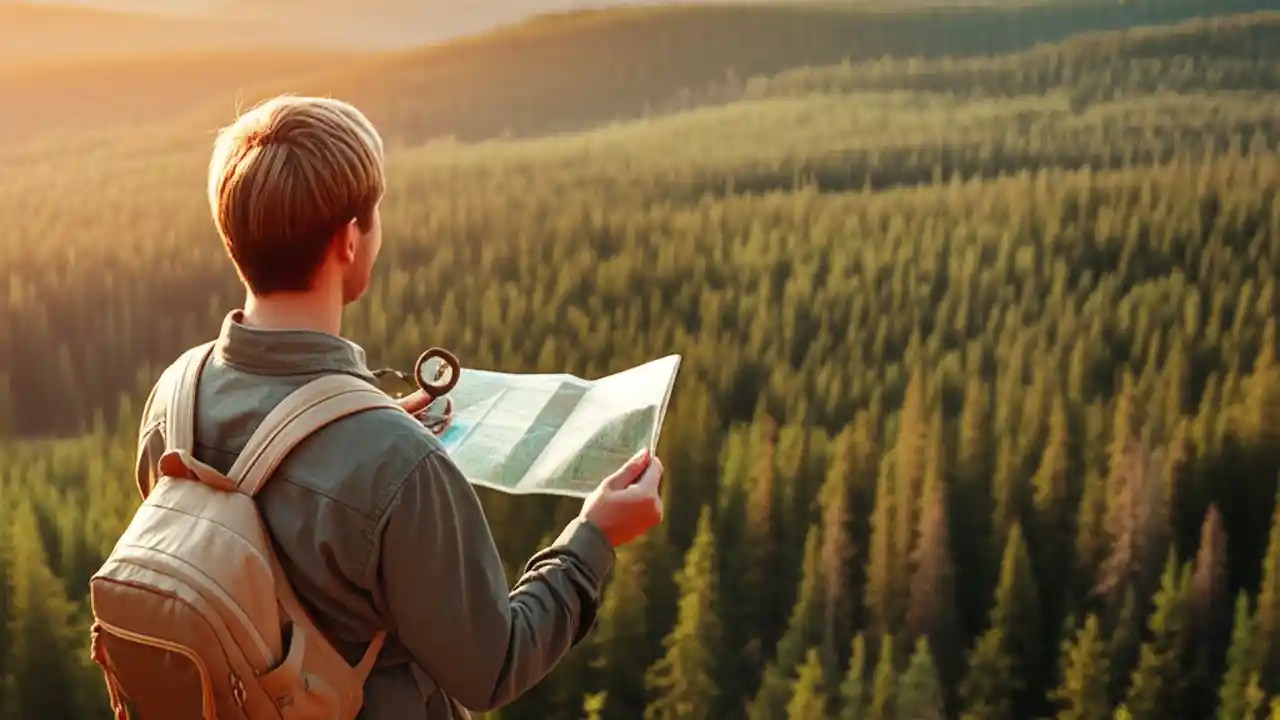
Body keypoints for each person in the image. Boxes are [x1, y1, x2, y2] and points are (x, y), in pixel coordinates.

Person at [133, 95, 666, 718]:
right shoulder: (400, 464)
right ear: (348, 241)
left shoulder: (175, 394)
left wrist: (366, 434)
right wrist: (595, 537)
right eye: (375, 212)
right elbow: (493, 668)